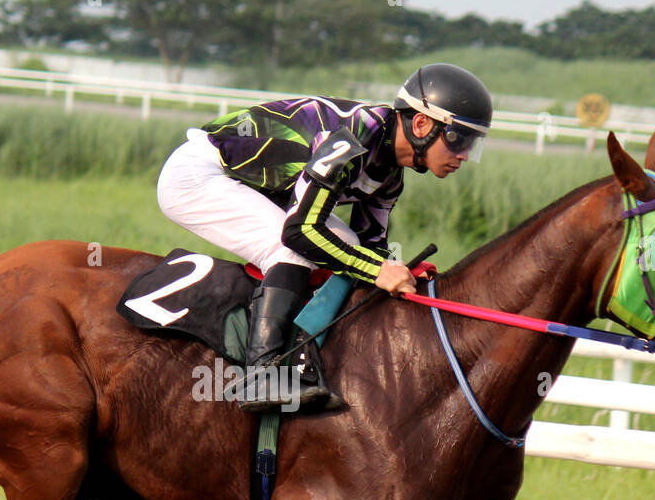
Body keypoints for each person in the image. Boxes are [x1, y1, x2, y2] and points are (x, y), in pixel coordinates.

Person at [157, 63, 492, 411]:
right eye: (458, 138)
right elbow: (299, 231)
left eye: (472, 143)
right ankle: (261, 377)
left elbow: (368, 247)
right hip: (197, 175)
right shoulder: (353, 140)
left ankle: (305, 358)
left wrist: (396, 268)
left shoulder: (390, 176)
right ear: (421, 123)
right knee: (289, 250)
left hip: (252, 184)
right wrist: (379, 270)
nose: (464, 155)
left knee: (347, 246)